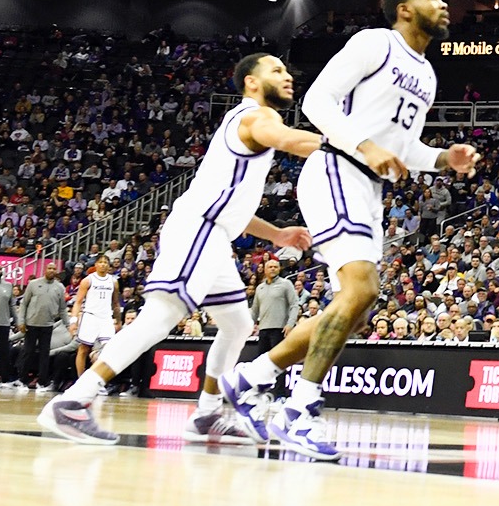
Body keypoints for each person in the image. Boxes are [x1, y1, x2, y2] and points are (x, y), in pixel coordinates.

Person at [220, 0, 479, 461]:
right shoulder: (375, 43)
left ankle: (251, 377)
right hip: (338, 168)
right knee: (361, 290)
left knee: (356, 308)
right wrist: (364, 145)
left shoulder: (426, 73)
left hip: (368, 185)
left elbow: (405, 149)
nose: (443, 3)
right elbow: (317, 102)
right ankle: (299, 410)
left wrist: (446, 158)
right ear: (404, 10)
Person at [37, 53, 317, 445]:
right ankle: (74, 401)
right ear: (251, 82)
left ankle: (207, 415)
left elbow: (229, 206)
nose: (287, 77)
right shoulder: (257, 116)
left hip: (212, 232)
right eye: (277, 70)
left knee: (237, 323)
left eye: (287, 71)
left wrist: (277, 234)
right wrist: (352, 147)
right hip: (200, 230)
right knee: (161, 316)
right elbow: (291, 140)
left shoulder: (248, 124)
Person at [68, 255, 118, 381]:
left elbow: (115, 303)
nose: (103, 264)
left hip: (106, 318)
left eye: (106, 262)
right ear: (95, 265)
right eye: (100, 262)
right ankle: (80, 380)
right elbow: (78, 302)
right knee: (83, 349)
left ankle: (100, 381)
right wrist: (73, 321)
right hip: (90, 317)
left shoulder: (113, 281)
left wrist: (118, 320)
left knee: (108, 351)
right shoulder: (88, 280)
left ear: (109, 265)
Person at [18, 263, 66, 391]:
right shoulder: (33, 284)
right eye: (49, 268)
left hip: (48, 325)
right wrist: (21, 321)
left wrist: (68, 324)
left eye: (54, 269)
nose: (51, 270)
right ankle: (22, 380)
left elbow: (62, 309)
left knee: (44, 354)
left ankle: (42, 382)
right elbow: (24, 304)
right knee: (28, 352)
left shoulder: (59, 287)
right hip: (31, 323)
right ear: (45, 269)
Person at [250, 257, 299, 361]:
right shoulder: (260, 288)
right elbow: (255, 310)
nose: (273, 269)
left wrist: (290, 324)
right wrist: (249, 326)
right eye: (270, 267)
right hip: (263, 329)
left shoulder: (286, 284)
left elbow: (294, 305)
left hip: (280, 329)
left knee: (278, 360)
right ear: (265, 270)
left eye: (275, 267)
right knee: (262, 361)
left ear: (279, 269)